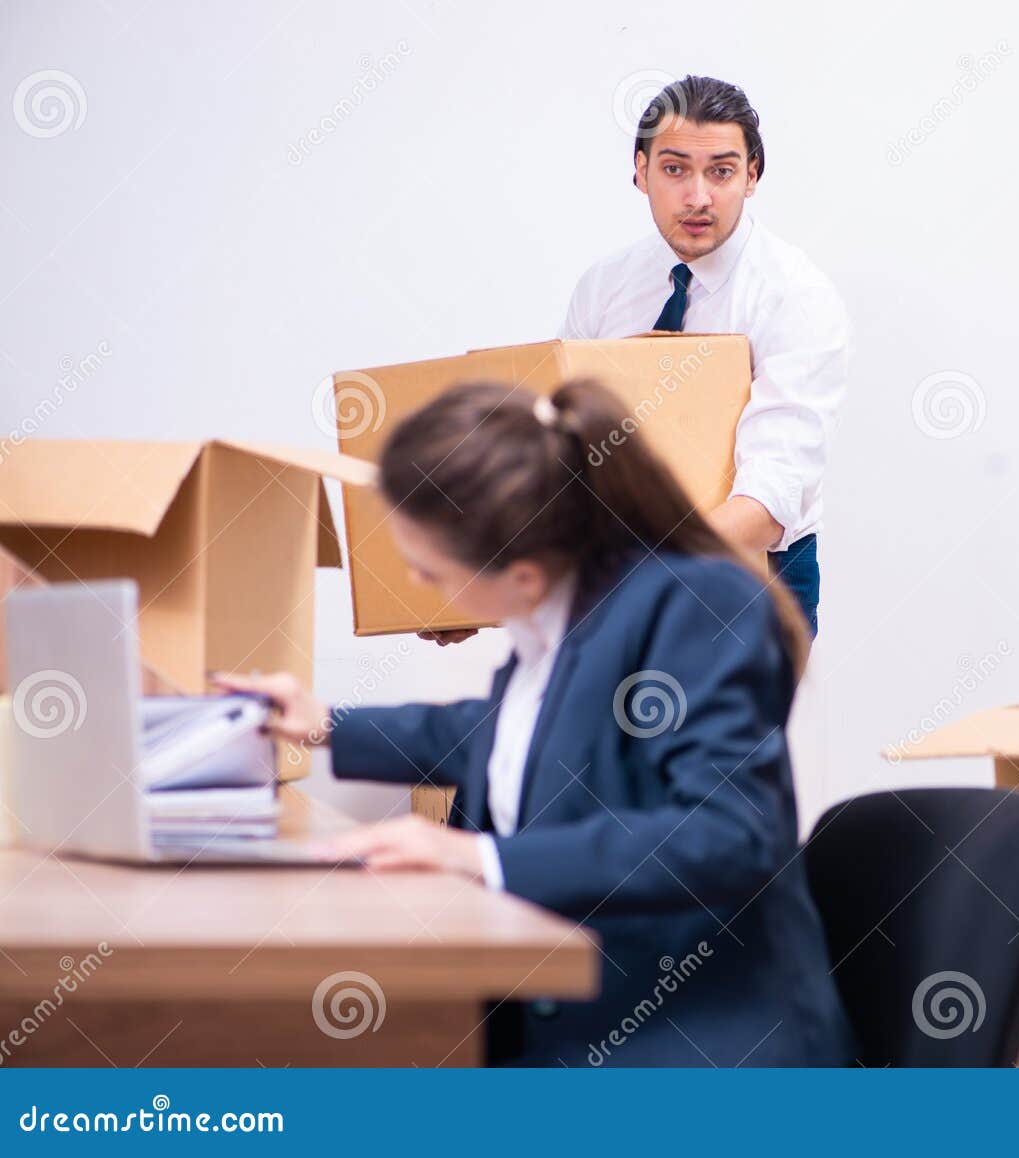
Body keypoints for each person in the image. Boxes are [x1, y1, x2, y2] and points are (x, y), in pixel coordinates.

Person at [214, 378, 855, 1067]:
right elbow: (509, 737)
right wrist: (324, 724)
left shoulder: (694, 602)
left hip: (692, 1047)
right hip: (565, 1019)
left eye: (428, 569)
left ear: (521, 574)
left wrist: (475, 857)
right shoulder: (565, 618)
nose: (417, 580)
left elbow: (729, 833)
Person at [560, 74, 848, 635]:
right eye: (674, 170)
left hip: (752, 573)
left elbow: (771, 496)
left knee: (725, 727)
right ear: (640, 172)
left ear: (752, 175)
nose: (698, 197)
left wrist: (646, 575)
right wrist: (478, 591)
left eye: (721, 171)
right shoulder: (603, 288)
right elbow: (563, 461)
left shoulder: (795, 297)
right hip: (618, 572)